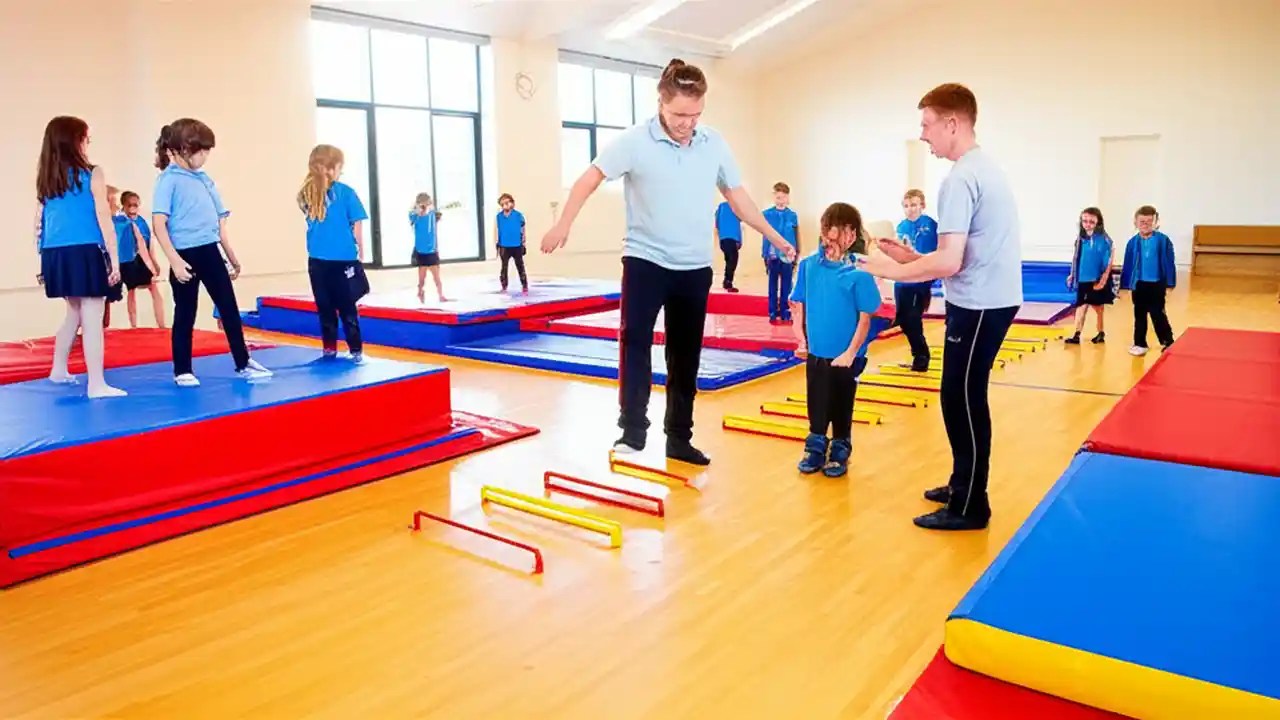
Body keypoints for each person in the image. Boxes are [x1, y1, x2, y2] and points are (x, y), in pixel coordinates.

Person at [540, 57, 797, 465]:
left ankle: (679, 437)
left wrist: (776, 237)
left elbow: (739, 197)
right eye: (679, 114)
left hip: (693, 266)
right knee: (636, 341)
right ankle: (633, 432)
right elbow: (589, 179)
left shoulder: (713, 142)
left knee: (685, 352)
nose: (687, 123)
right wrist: (563, 224)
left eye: (695, 115)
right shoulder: (633, 141)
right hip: (645, 260)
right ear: (661, 103)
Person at [859, 83, 1022, 531]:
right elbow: (959, 256)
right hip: (984, 296)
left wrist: (886, 272)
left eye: (927, 125)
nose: (924, 136)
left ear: (953, 123)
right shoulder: (981, 168)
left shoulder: (961, 178)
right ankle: (962, 484)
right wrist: (910, 260)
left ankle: (970, 504)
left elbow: (950, 260)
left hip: (981, 302)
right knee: (959, 394)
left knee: (963, 397)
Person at [152, 118, 272, 386]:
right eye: (202, 150)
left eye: (207, 150)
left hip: (210, 251)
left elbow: (220, 222)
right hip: (184, 254)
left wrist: (230, 254)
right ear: (183, 148)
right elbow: (159, 224)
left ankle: (243, 361)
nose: (206, 156)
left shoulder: (204, 179)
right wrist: (174, 261)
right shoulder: (168, 180)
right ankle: (182, 369)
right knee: (185, 311)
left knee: (228, 306)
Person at [33, 115, 126, 398]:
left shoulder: (47, 180)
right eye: (86, 139)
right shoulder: (92, 173)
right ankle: (96, 384)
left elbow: (38, 224)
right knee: (92, 316)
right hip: (85, 249)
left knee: (74, 311)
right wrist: (114, 258)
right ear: (76, 141)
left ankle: (58, 370)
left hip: (55, 252)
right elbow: (103, 217)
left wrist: (42, 260)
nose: (88, 144)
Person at [790, 203, 882, 478]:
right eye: (826, 234)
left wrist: (851, 352)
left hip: (848, 353)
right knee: (816, 399)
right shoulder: (809, 266)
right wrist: (802, 340)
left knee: (842, 401)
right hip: (818, 350)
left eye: (837, 234)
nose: (829, 240)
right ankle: (816, 443)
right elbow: (799, 306)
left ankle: (841, 444)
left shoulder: (859, 272)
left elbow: (866, 318)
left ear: (851, 235)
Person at [298, 144, 370, 362]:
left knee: (325, 307)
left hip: (317, 260)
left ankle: (329, 348)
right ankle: (356, 350)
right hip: (343, 259)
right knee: (348, 308)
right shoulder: (346, 192)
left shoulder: (306, 193)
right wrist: (361, 251)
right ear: (333, 167)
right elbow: (356, 224)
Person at [1119, 205, 1177, 355]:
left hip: (1157, 284)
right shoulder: (1132, 243)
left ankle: (1167, 341)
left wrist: (1170, 283)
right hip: (1139, 284)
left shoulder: (1163, 241)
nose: (1145, 225)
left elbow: (1169, 262)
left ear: (1156, 222)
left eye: (1149, 221)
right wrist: (1125, 286)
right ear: (1136, 222)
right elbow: (1128, 264)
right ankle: (1140, 343)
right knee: (1139, 314)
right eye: (1142, 222)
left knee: (1157, 313)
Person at [894, 189, 939, 370]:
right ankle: (917, 353)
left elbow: (938, 251)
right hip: (902, 279)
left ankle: (922, 356)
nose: (910, 209)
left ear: (922, 206)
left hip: (920, 279)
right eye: (906, 206)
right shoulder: (901, 227)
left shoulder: (931, 225)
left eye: (913, 205)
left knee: (913, 318)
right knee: (903, 320)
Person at [1064, 207, 1114, 345]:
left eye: (1091, 221)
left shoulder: (1104, 240)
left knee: (1098, 308)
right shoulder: (1081, 239)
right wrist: (1072, 274)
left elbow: (1108, 260)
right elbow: (1076, 258)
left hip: (1096, 279)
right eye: (1085, 221)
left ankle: (1100, 332)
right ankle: (1077, 333)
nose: (1087, 224)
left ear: (1098, 222)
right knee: (1081, 306)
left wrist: (1103, 279)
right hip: (1082, 278)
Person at [117, 190, 165, 329]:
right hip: (127, 261)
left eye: (135, 205)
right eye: (129, 206)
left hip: (143, 260)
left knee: (153, 288)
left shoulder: (142, 222)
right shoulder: (120, 221)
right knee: (131, 290)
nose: (133, 209)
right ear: (124, 206)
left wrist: (154, 263)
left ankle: (161, 324)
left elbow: (148, 243)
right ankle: (133, 325)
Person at [762, 182, 800, 323]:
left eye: (783, 197)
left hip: (788, 256)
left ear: (788, 198)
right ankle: (772, 312)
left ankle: (785, 311)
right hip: (772, 255)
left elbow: (796, 235)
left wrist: (796, 252)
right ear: (774, 197)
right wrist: (764, 254)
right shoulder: (766, 214)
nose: (781, 200)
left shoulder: (792, 216)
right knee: (772, 285)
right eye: (778, 197)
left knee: (787, 286)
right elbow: (765, 235)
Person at [410, 193, 447, 303]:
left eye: (427, 203)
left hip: (432, 250)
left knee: (437, 277)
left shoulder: (432, 214)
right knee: (422, 278)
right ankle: (420, 292)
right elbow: (412, 218)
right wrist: (419, 210)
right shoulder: (414, 215)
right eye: (423, 203)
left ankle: (441, 295)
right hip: (421, 251)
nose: (425, 205)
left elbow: (438, 214)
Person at [494, 193, 528, 293]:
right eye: (503, 204)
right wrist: (497, 243)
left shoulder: (518, 215)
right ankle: (504, 286)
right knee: (504, 267)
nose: (505, 205)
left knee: (520, 266)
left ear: (512, 203)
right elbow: (497, 230)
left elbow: (523, 228)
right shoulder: (499, 217)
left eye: (507, 202)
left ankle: (524, 285)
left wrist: (523, 241)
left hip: (516, 245)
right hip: (504, 245)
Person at [713, 199, 742, 292]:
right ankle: (728, 281)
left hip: (725, 238)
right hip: (730, 237)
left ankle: (727, 281)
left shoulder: (722, 207)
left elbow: (717, 224)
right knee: (732, 259)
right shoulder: (736, 206)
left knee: (730, 259)